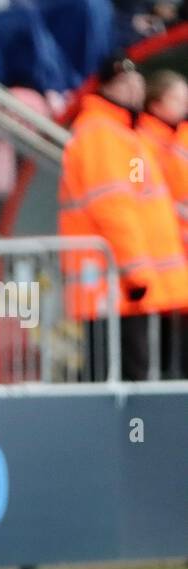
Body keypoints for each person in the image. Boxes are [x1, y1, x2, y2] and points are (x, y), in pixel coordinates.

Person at [59, 54, 188, 381]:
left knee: (133, 379)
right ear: (107, 87)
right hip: (116, 287)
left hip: (127, 287)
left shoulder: (120, 133)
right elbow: (114, 208)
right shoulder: (102, 134)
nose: (133, 90)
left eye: (136, 83)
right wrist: (137, 273)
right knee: (122, 383)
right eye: (125, 83)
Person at [137, 70, 188, 377]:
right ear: (156, 104)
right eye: (178, 98)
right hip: (161, 256)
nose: (184, 105)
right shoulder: (146, 142)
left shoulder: (173, 140)